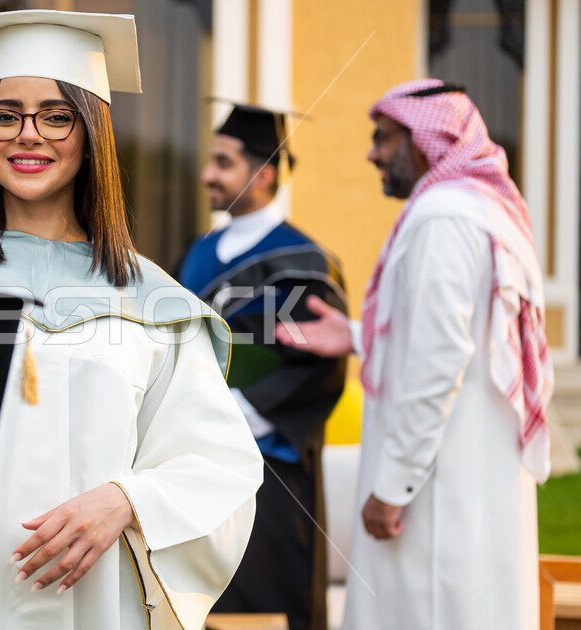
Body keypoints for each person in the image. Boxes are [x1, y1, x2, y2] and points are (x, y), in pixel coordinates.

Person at [0, 10, 262, 630]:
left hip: (99, 595)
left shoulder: (153, 303)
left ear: (92, 132)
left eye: (57, 115)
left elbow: (217, 460)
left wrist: (127, 501)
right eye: (5, 114)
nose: (28, 135)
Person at [278, 79, 553, 630]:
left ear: (431, 139)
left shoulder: (444, 217)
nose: (371, 153)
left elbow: (439, 359)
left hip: (436, 489)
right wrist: (357, 335)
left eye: (384, 138)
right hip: (466, 476)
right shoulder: (481, 208)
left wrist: (392, 486)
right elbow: (460, 333)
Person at [176, 104, 346, 630]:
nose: (208, 174)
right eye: (210, 161)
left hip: (270, 468)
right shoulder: (199, 251)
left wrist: (236, 414)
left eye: (223, 162)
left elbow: (321, 366)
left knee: (271, 603)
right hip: (194, 457)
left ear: (264, 172)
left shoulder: (305, 260)